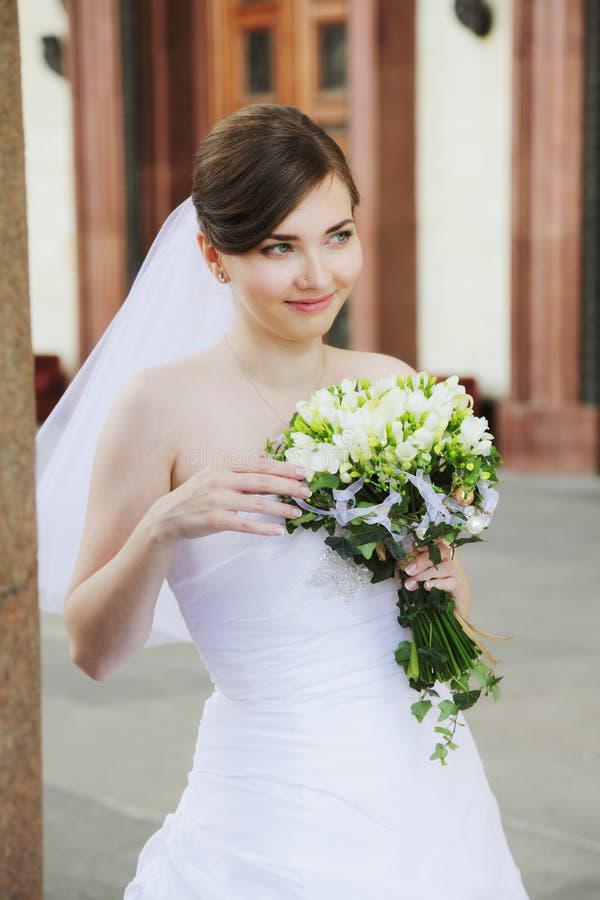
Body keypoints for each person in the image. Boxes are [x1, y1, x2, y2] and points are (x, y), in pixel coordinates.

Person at [36, 104, 528, 898]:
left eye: (338, 236)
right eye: (279, 247)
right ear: (214, 256)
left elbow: (446, 627)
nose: (319, 276)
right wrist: (163, 526)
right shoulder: (157, 406)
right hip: (272, 801)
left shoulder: (394, 386)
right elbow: (93, 653)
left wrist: (441, 586)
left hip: (429, 793)